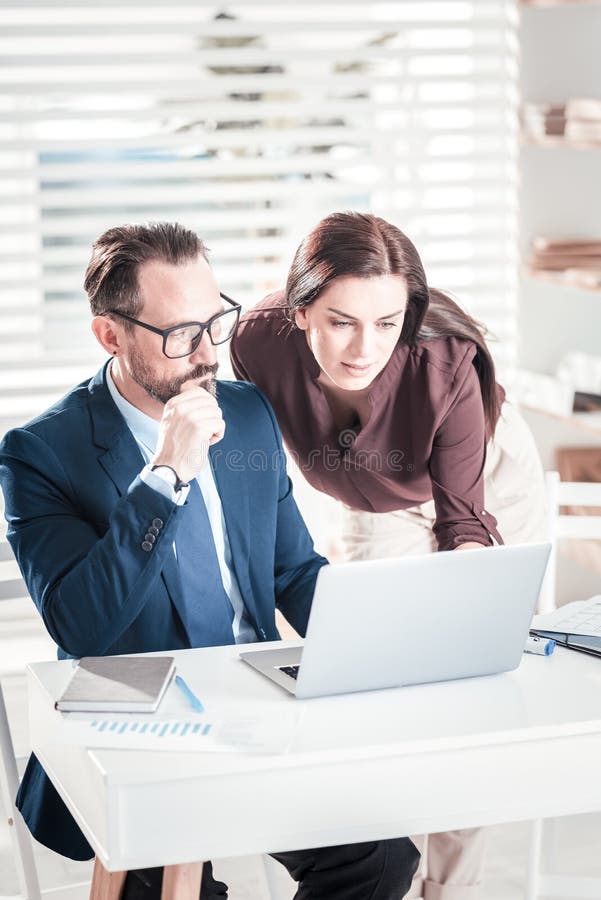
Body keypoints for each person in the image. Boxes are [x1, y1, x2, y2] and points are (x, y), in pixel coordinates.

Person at [0, 222, 420, 900]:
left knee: (377, 860)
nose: (204, 355)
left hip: (255, 705)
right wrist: (166, 475)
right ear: (111, 336)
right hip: (138, 728)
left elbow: (289, 571)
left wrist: (371, 640)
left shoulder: (248, 416)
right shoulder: (42, 453)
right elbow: (83, 628)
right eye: (178, 335)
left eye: (212, 323)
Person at [230, 211, 547, 900]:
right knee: (372, 679)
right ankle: (374, 872)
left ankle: (451, 890)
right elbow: (246, 471)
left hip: (486, 486)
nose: (362, 347)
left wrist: (467, 625)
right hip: (372, 492)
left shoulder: (445, 360)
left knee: (464, 692)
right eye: (340, 320)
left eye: (386, 322)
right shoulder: (255, 342)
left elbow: (465, 523)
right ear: (299, 309)